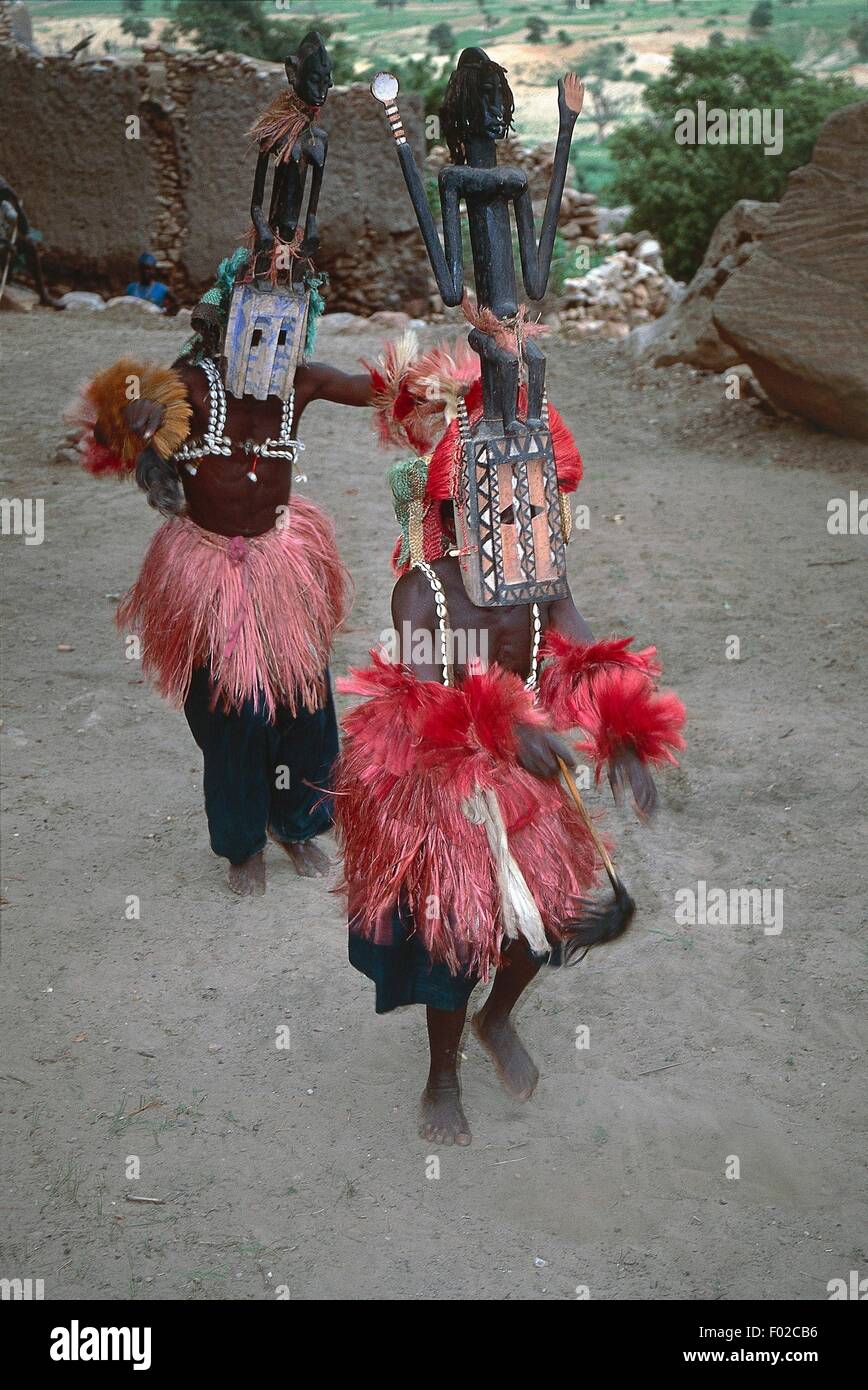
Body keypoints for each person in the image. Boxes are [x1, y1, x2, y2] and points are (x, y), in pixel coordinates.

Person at [333, 343, 686, 1145]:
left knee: (541, 928)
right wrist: (503, 728)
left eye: (528, 499)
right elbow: (415, 705)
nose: (515, 517)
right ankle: (442, 1071)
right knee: (453, 946)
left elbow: (584, 660)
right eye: (493, 500)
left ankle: (500, 1019)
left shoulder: (543, 584)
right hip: (442, 787)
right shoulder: (421, 591)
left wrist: (623, 738)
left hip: (526, 787)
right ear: (454, 509)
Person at [75, 252, 374, 896]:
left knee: (305, 701)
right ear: (230, 322)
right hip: (208, 567)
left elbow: (379, 390)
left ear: (304, 328)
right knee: (234, 711)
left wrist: (452, 375)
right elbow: (107, 428)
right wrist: (132, 417)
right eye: (259, 324)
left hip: (280, 562)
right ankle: (241, 842)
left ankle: (296, 821)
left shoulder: (302, 383)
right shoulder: (188, 384)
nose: (273, 341)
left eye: (288, 327)